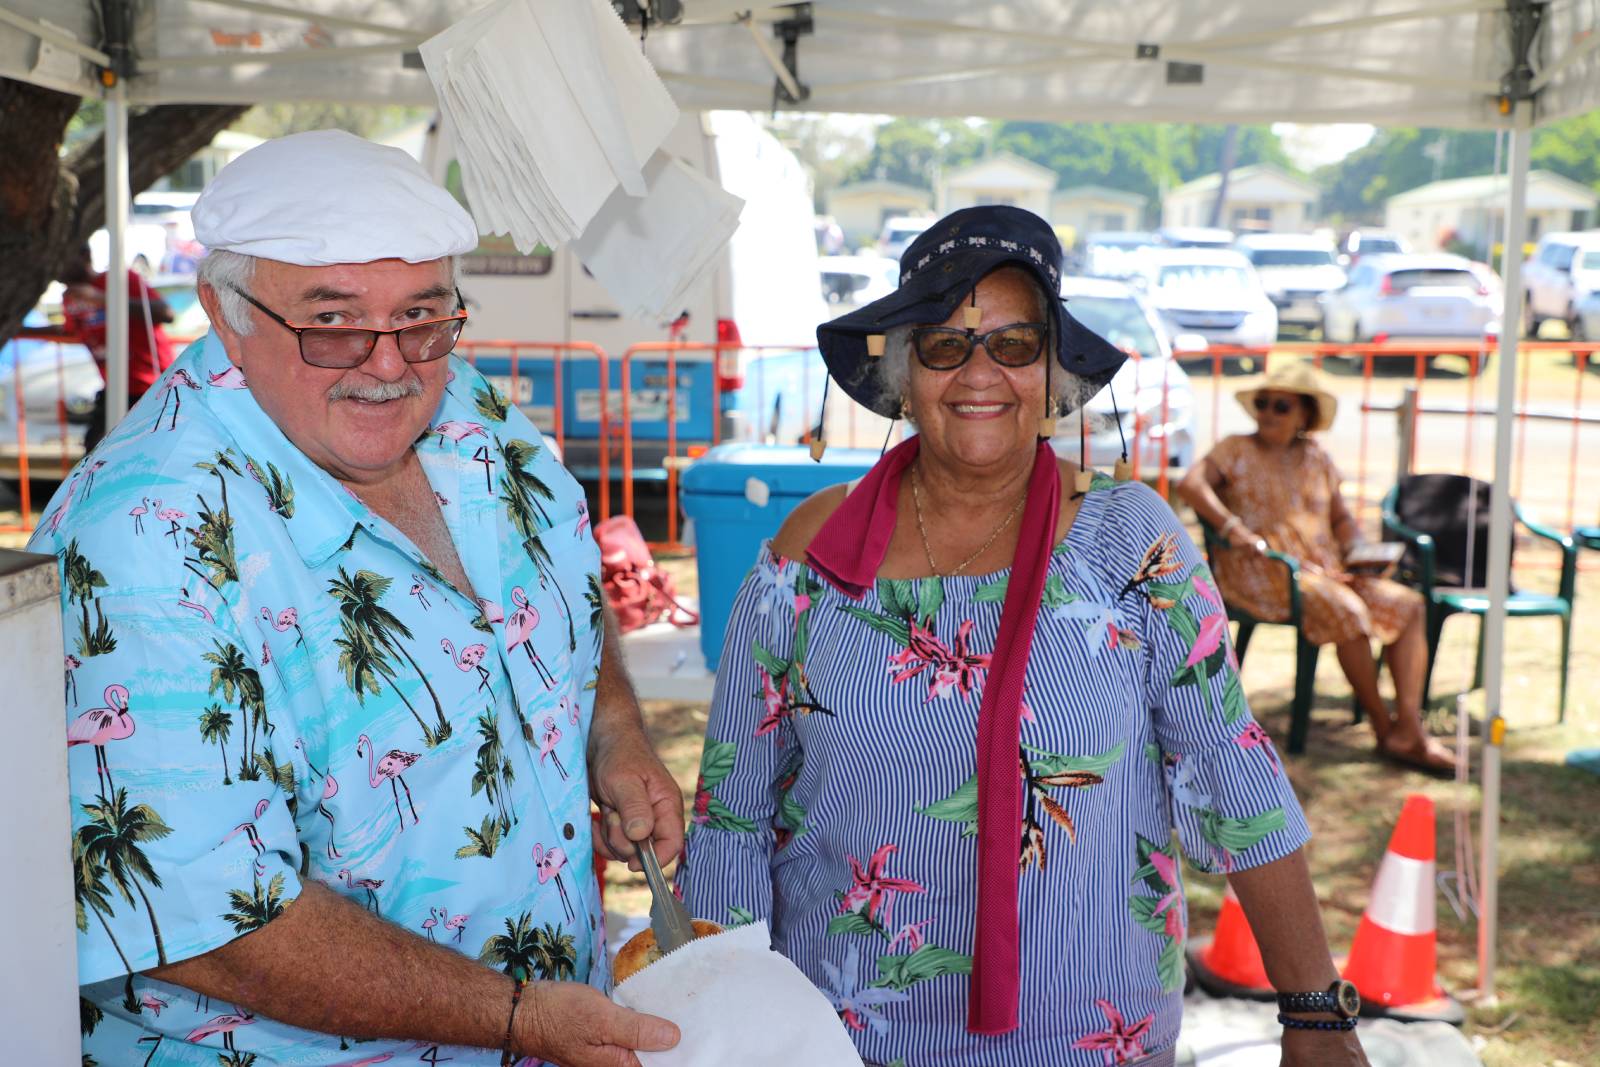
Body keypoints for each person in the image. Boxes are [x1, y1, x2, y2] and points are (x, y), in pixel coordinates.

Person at [29, 130, 682, 1067]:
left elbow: (563, 584)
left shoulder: (465, 403)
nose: (387, 365)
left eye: (422, 314)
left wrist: (612, 731)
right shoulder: (145, 535)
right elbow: (212, 920)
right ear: (224, 311)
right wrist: (517, 1017)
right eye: (331, 320)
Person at [677, 206, 1369, 1067]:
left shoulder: (1132, 543)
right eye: (945, 344)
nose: (980, 372)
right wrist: (726, 1026)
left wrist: (1315, 1010)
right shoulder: (810, 556)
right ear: (902, 371)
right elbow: (732, 818)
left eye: (1014, 344)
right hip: (835, 1041)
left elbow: (1233, 772)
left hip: (1093, 1042)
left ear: (1052, 373)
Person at [1176, 363, 1454, 774]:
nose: (1268, 413)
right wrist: (1233, 529)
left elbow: (1340, 519)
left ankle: (1410, 726)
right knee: (1348, 611)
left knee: (1408, 604)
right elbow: (1190, 484)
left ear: (1304, 414)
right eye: (1263, 403)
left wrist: (1358, 549)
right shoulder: (1235, 448)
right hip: (1265, 573)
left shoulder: (1316, 457)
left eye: (1281, 406)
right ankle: (1384, 729)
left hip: (1328, 571)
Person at [52, 243, 177, 451]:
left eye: (61, 259)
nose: (55, 268)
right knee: (96, 450)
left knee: (148, 449)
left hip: (152, 383)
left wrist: (102, 299)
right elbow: (70, 330)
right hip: (116, 386)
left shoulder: (120, 279)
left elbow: (166, 313)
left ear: (85, 255)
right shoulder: (70, 298)